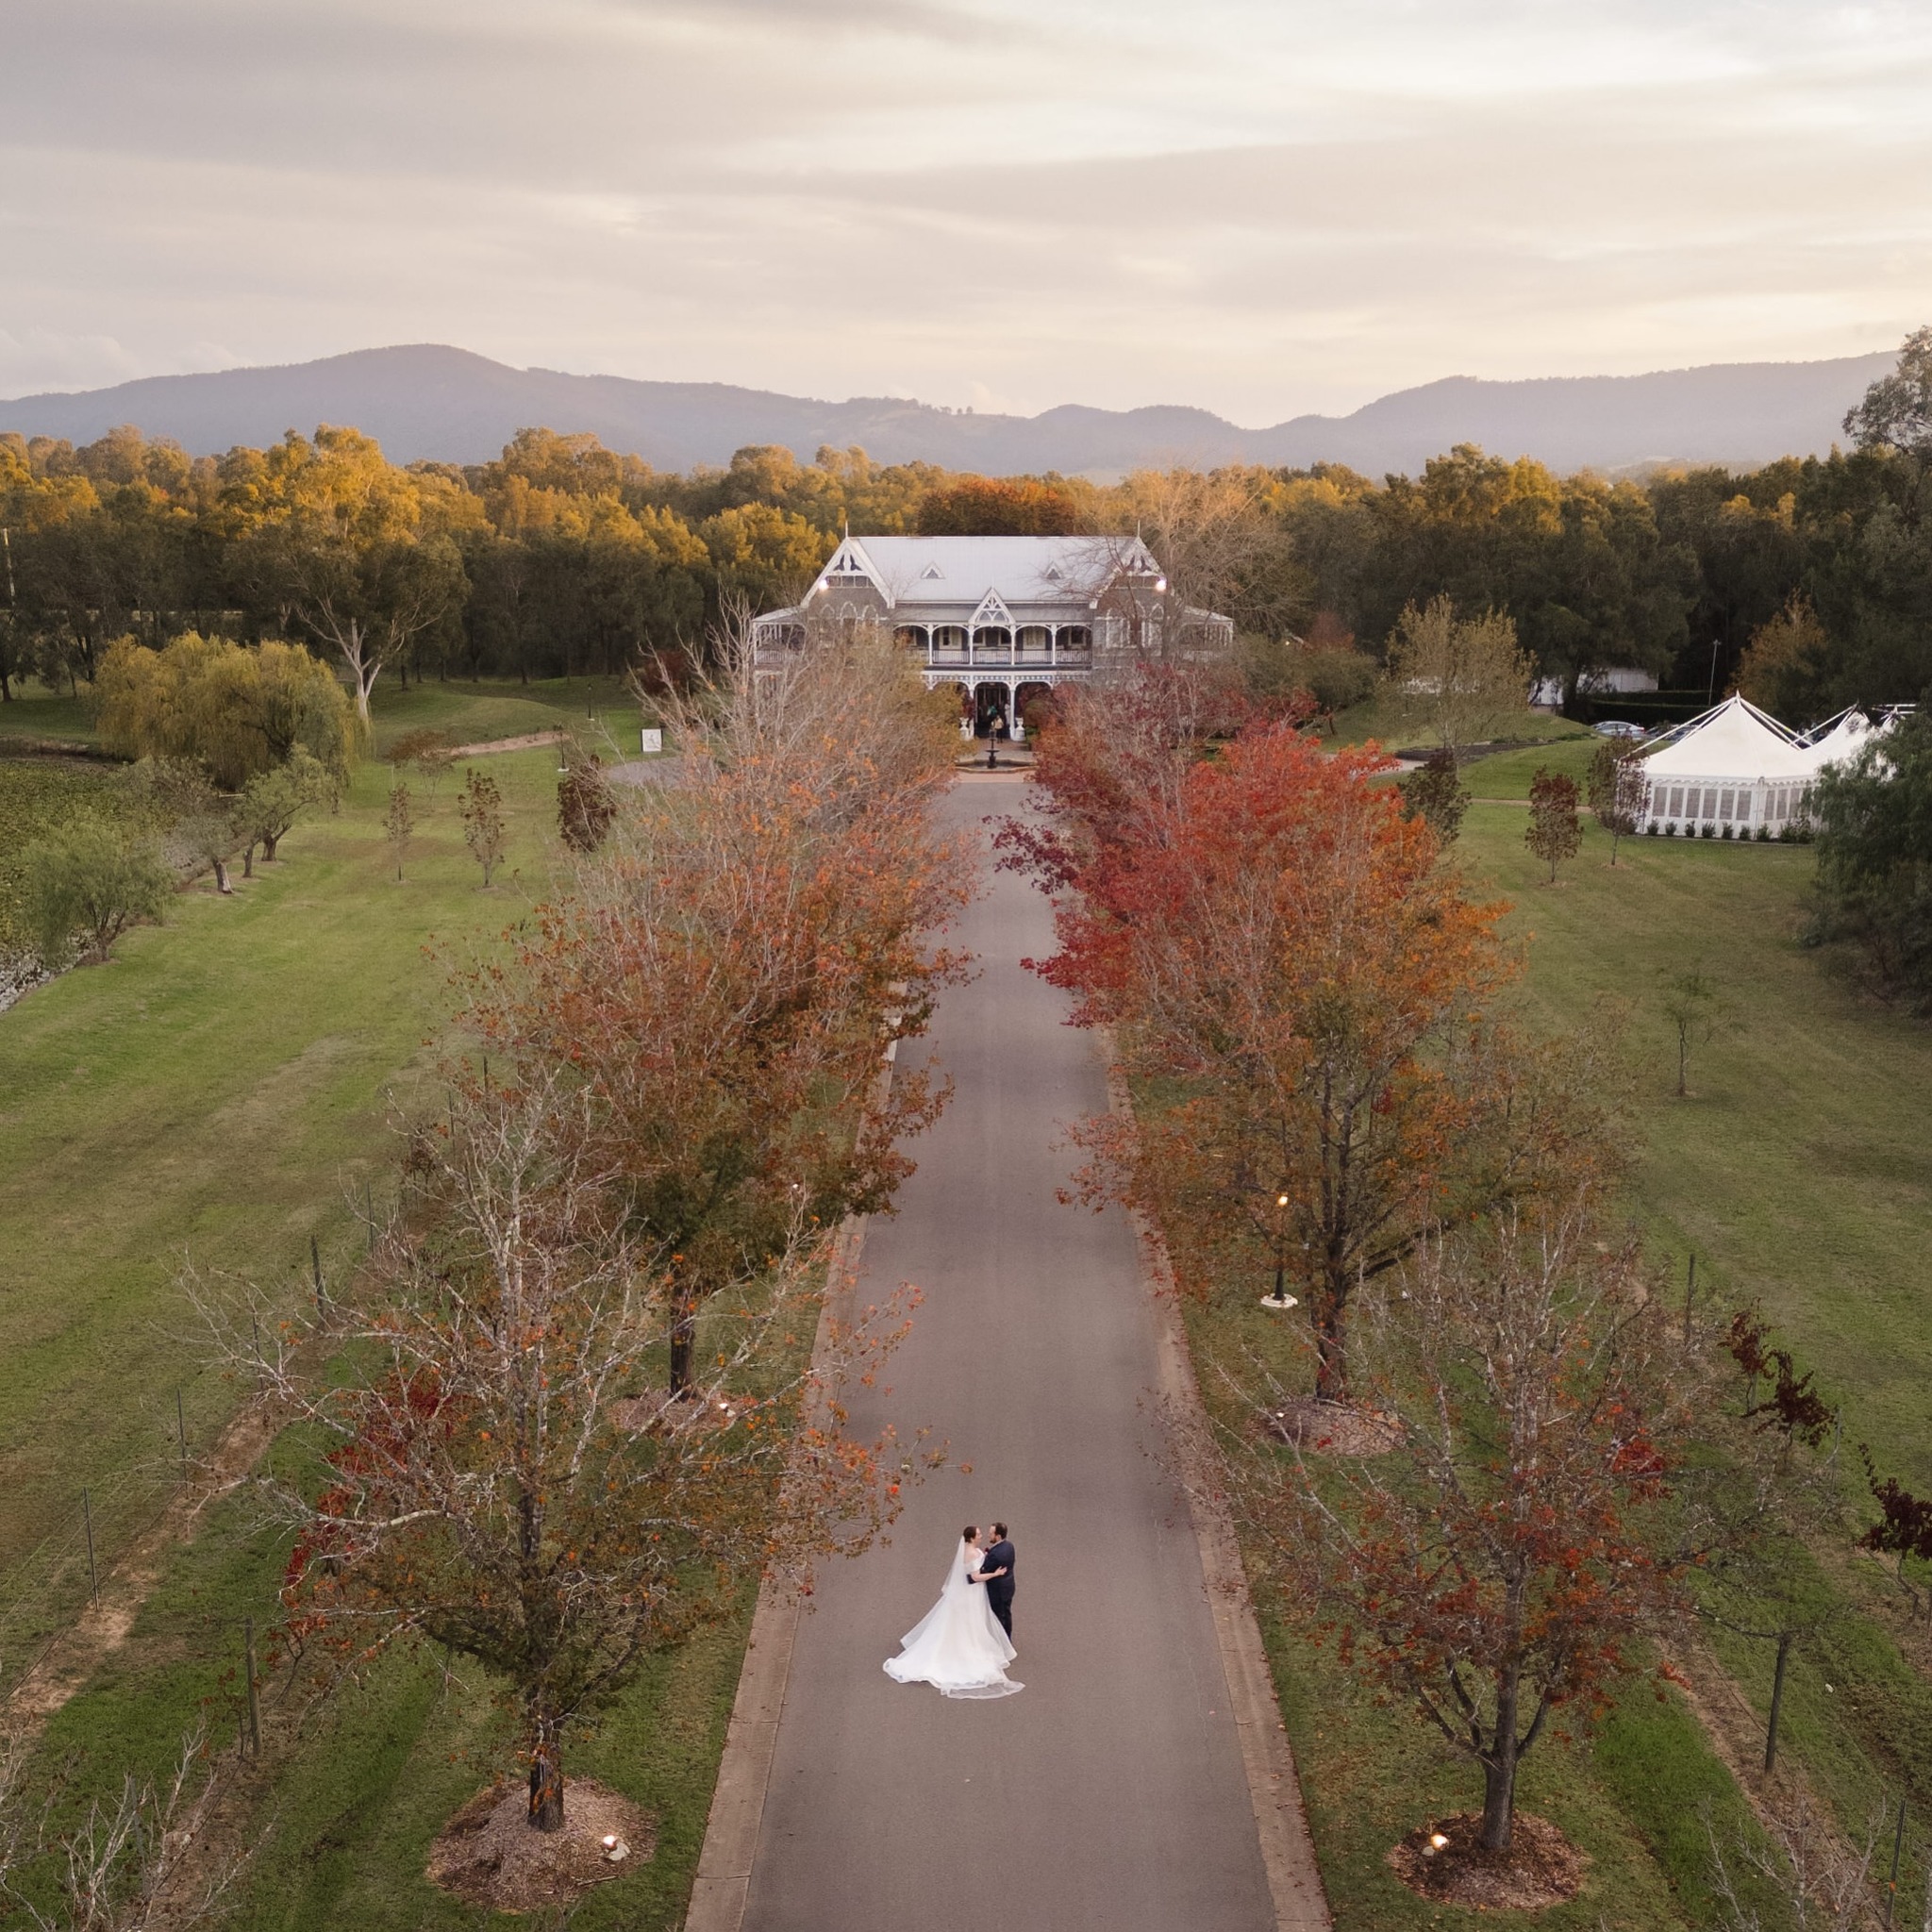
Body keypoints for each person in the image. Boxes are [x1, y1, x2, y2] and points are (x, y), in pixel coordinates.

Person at [882, 1525, 1023, 1699]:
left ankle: (974, 1642)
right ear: (971, 1538)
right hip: (970, 1594)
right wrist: (995, 1574)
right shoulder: (970, 1553)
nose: (982, 1536)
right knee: (967, 1621)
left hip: (975, 1595)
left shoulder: (975, 1550)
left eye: (982, 1533)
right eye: (978, 1534)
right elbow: (974, 1577)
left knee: (974, 1620)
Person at [975, 1521, 1016, 1638]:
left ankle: (1001, 1642)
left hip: (997, 1591)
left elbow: (984, 1571)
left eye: (991, 1533)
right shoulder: (1009, 1546)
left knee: (998, 1617)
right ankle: (1008, 1638)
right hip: (1008, 1587)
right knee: (1006, 1614)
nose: (988, 1535)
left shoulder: (996, 1554)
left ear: (998, 1536)